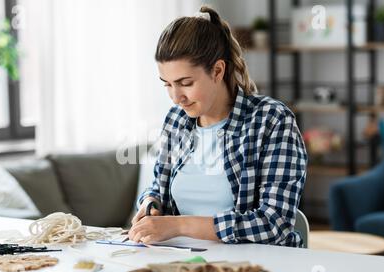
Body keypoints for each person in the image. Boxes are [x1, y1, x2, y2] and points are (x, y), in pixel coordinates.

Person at [128, 6, 308, 247]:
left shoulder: (271, 120)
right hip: (183, 263)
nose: (176, 97)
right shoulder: (176, 120)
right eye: (167, 84)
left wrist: (178, 225)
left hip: (255, 267)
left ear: (217, 70)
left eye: (185, 83)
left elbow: (273, 223)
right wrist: (150, 203)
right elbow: (158, 188)